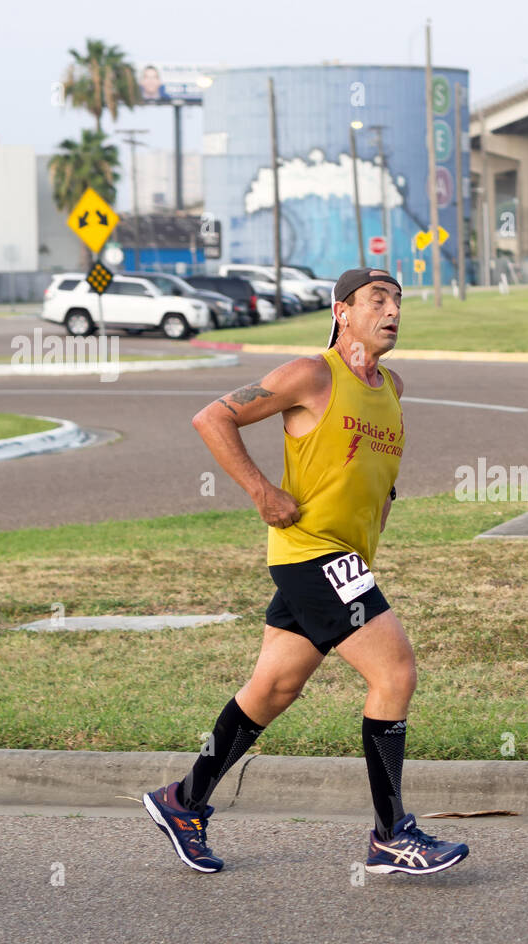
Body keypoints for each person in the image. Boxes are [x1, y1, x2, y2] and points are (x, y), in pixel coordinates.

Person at [142, 267, 468, 876]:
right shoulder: (313, 374)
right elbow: (212, 417)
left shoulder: (391, 387)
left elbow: (377, 481)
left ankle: (181, 802)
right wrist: (263, 492)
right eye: (378, 300)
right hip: (313, 553)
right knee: (394, 670)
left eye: (397, 301)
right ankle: (391, 835)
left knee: (272, 690)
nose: (392, 310)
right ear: (342, 311)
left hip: (344, 559)